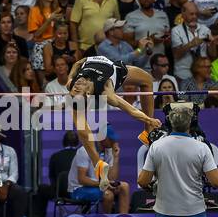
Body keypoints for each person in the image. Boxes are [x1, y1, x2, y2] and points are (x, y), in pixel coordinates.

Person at [66, 54, 160, 186]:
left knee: (80, 125)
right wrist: (149, 120)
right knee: (147, 80)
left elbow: (77, 63)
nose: (75, 87)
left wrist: (73, 74)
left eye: (73, 90)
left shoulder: (71, 84)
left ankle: (98, 164)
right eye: (76, 91)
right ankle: (148, 132)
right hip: (115, 70)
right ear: (87, 94)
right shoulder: (106, 92)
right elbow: (130, 109)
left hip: (100, 62)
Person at [68, 125, 129, 213]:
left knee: (124, 186)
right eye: (111, 139)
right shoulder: (85, 150)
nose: (114, 142)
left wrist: (116, 157)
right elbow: (82, 179)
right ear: (102, 139)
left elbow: (112, 179)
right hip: (79, 189)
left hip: (99, 186)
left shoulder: (109, 151)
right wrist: (103, 184)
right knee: (108, 195)